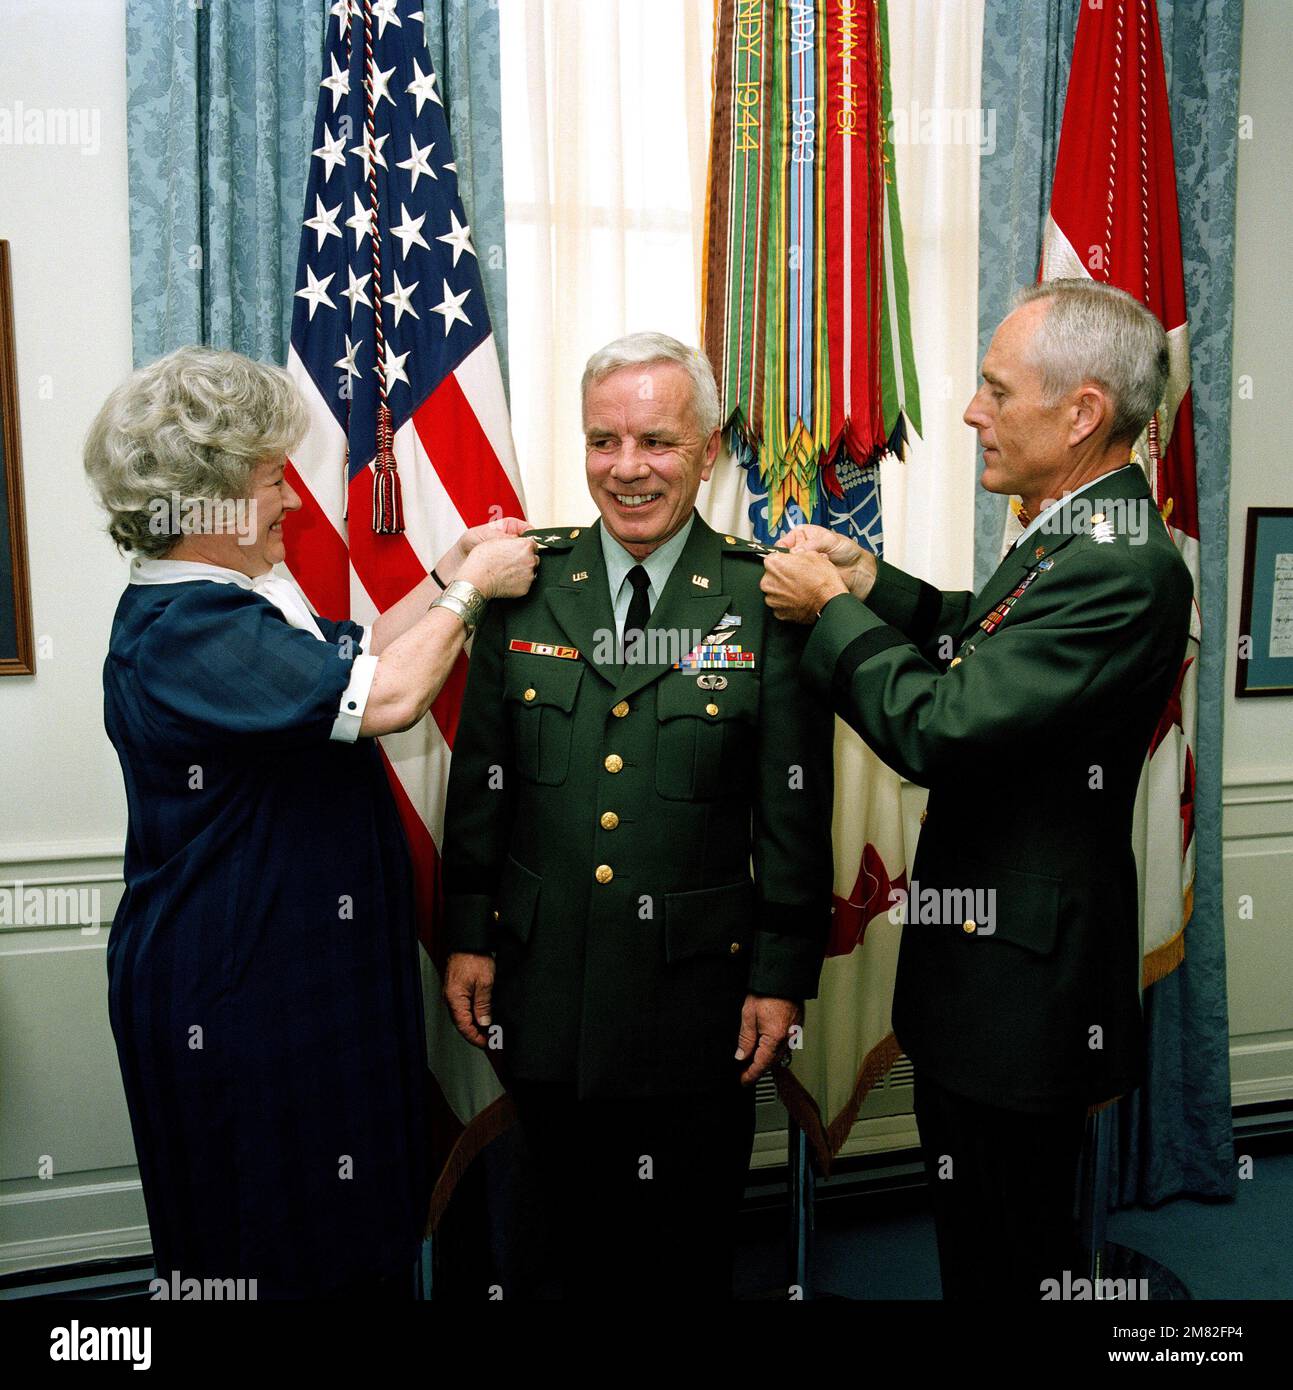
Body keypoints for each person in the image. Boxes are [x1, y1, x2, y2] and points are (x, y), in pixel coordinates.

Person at [760, 279, 1194, 1299]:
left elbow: (942, 725)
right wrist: (874, 587)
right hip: (992, 976)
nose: (969, 412)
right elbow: (983, 642)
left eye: (996, 391)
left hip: (1024, 995)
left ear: (1082, 411)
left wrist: (828, 612)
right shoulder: (1077, 524)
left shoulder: (1123, 564)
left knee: (1009, 1254)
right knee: (982, 1238)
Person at [83, 345, 538, 1298]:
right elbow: (391, 698)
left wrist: (447, 565)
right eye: (268, 482)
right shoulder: (186, 632)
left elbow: (359, 652)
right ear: (204, 506)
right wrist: (473, 592)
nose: (291, 501)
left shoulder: (232, 604)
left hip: (286, 977)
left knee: (335, 1220)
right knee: (265, 1239)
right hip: (239, 996)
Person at [441, 331, 834, 1299]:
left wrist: (783, 974)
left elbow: (793, 807)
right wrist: (467, 932)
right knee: (551, 1251)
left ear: (707, 451)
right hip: (545, 987)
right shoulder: (523, 585)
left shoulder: (762, 595)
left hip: (696, 999)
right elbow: (483, 779)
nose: (626, 469)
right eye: (603, 441)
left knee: (681, 1253)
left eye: (655, 441)